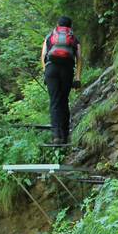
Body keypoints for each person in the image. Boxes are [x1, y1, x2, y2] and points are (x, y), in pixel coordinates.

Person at [41, 16, 82, 145]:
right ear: (70, 26)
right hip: (67, 70)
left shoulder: (50, 36)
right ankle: (65, 135)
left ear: (58, 25)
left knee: (55, 101)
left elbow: (43, 55)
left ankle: (56, 135)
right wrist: (78, 77)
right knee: (64, 100)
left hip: (51, 69)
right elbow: (79, 58)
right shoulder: (73, 38)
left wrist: (45, 72)